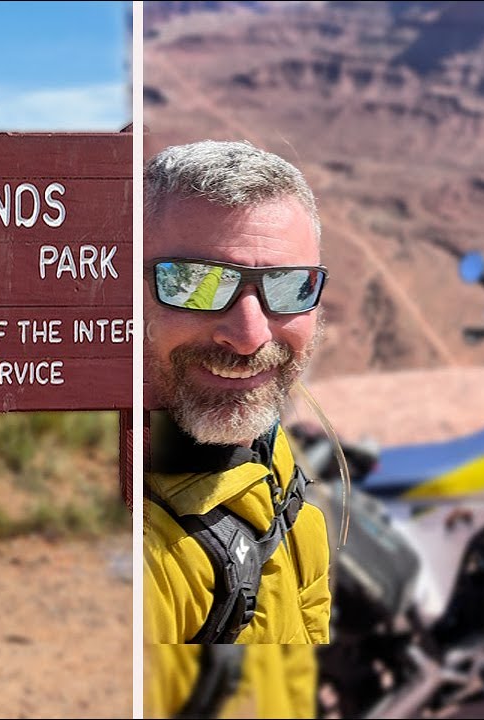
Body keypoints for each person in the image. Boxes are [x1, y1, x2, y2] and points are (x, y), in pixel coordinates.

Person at [143, 140, 331, 718]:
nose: (250, 335)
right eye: (194, 283)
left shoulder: (271, 459)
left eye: (288, 286)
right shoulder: (144, 559)